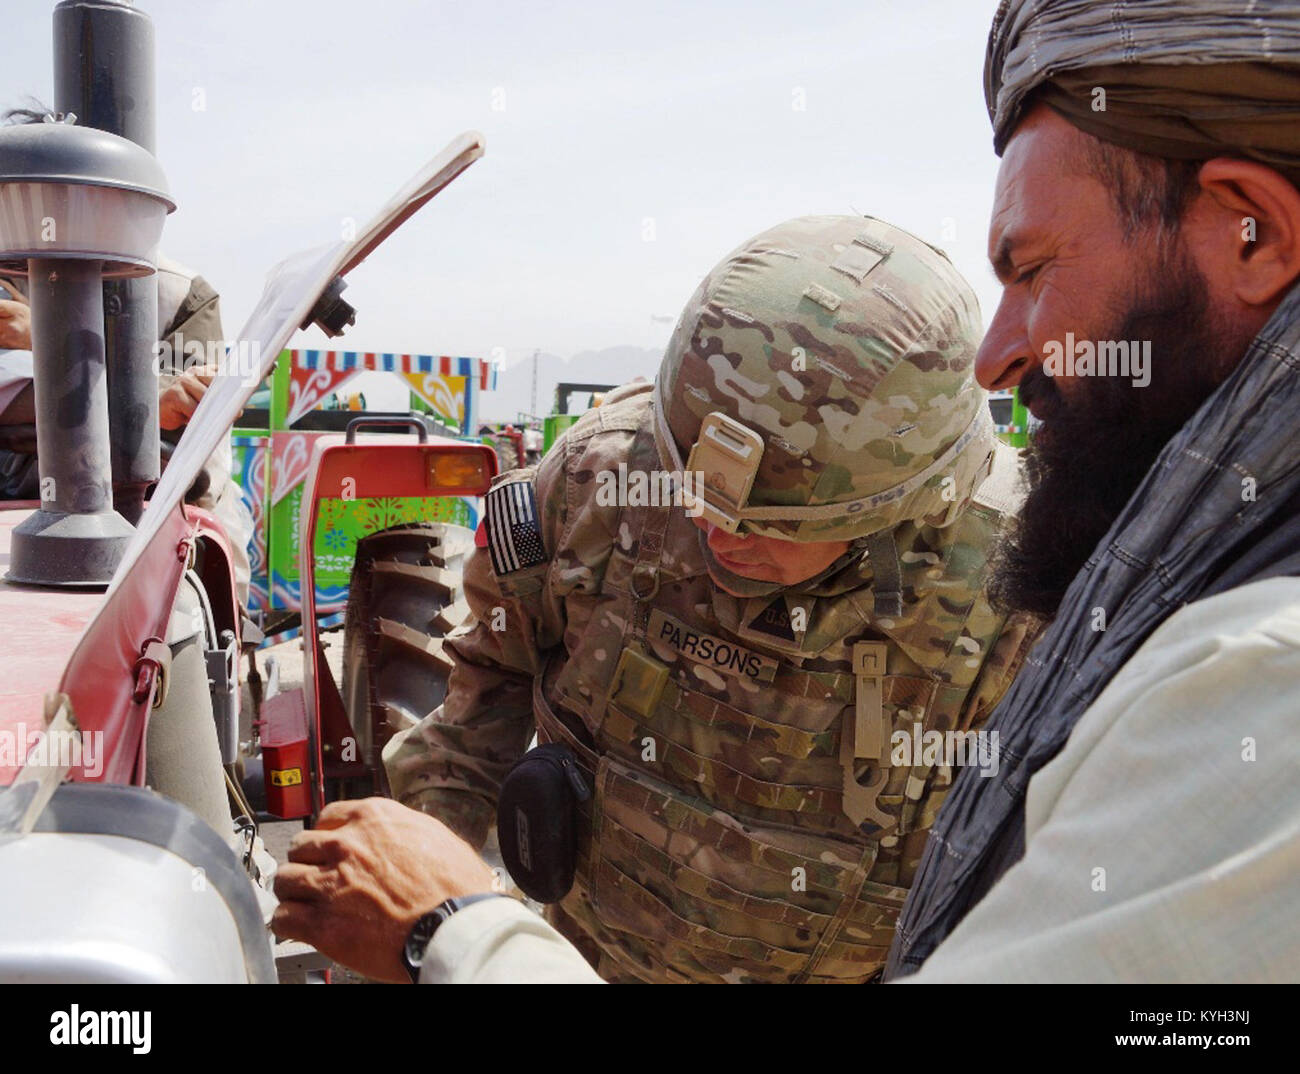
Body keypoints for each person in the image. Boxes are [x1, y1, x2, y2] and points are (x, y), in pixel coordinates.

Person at [284, 214, 1040, 985]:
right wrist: (433, 930)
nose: (713, 527)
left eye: (770, 523)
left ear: (900, 509)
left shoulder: (1020, 588)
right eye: (693, 487)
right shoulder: (595, 486)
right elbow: (477, 715)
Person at [880, 0, 1300, 982]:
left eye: (1029, 269)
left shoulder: (1263, 674)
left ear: (1254, 234)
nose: (993, 358)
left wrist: (457, 921)